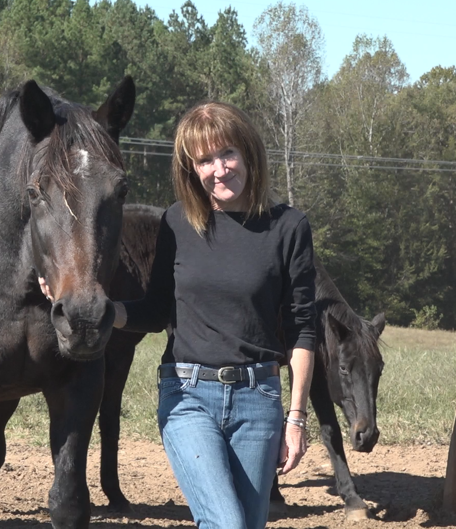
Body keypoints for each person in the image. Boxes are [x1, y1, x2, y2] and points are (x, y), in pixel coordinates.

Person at [42, 101, 315, 529]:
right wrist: (103, 312)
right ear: (192, 168)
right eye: (204, 160)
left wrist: (296, 418)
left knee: (248, 524)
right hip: (188, 397)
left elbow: (302, 329)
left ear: (248, 153)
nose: (219, 169)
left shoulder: (289, 228)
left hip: (259, 399)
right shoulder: (177, 223)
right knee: (228, 524)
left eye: (227, 154)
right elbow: (154, 312)